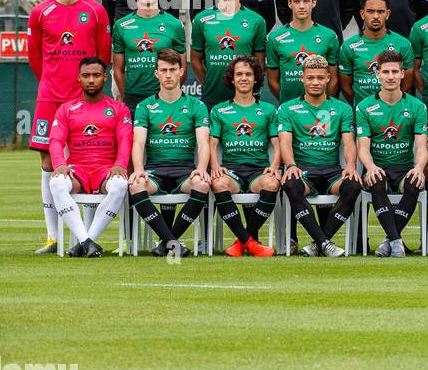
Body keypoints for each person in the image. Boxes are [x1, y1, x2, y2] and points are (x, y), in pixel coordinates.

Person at [27, 0, 112, 254]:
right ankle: (53, 237)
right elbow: (35, 57)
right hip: (49, 99)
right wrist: (52, 82)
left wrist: (85, 88)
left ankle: (83, 236)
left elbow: (103, 56)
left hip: (84, 100)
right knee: (49, 165)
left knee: (87, 161)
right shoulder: (40, 12)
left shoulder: (95, 11)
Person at [128, 50, 211, 257]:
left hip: (184, 170)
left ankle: (166, 242)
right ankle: (173, 243)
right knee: (136, 185)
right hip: (155, 170)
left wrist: (201, 168)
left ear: (181, 71)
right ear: (156, 73)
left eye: (173, 70)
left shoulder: (196, 105)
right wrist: (138, 169)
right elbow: (138, 142)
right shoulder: (145, 106)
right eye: (163, 70)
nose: (168, 75)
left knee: (202, 183)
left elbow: (203, 143)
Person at [275, 55, 361, 257]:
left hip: (332, 171)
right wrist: (291, 165)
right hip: (304, 170)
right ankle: (325, 243)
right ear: (302, 78)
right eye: (310, 77)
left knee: (353, 185)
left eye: (320, 78)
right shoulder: (287, 108)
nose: (315, 82)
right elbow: (284, 141)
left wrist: (350, 165)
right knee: (291, 184)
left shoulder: (342, 108)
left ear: (328, 78)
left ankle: (318, 243)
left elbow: (349, 141)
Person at [47, 57, 132, 257]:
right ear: (79, 78)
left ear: (105, 77)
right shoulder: (66, 109)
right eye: (86, 76)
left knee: (120, 185)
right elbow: (55, 141)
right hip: (77, 169)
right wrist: (59, 164)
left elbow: (126, 139)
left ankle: (85, 242)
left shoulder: (119, 108)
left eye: (96, 75)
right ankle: (88, 242)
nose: (91, 80)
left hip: (106, 169)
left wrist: (120, 164)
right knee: (57, 183)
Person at [356, 50, 428, 257]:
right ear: (377, 73)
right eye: (385, 72)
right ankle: (396, 241)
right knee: (376, 180)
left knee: (415, 180)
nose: (390, 76)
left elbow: (422, 147)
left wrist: (418, 168)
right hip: (379, 168)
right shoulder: (364, 107)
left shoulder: (417, 106)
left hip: (404, 169)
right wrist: (370, 167)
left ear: (403, 74)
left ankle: (389, 240)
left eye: (395, 72)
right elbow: (363, 148)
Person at [207, 56, 280, 257]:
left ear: (256, 78)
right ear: (232, 78)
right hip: (232, 170)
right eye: (239, 74)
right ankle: (252, 243)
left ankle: (241, 243)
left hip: (259, 169)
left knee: (272, 184)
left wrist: (275, 166)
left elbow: (277, 142)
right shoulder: (219, 110)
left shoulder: (268, 109)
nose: (244, 78)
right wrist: (215, 166)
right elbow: (212, 143)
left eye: (248, 74)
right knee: (218, 184)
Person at [189, 0, 267, 109]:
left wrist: (250, 85)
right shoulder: (201, 19)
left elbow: (260, 62)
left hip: (246, 99)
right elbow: (195, 59)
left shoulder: (256, 20)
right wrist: (208, 83)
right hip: (212, 98)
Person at [112, 0, 185, 113]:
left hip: (165, 98)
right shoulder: (121, 26)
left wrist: (168, 93)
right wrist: (126, 94)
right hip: (133, 99)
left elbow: (182, 68)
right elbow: (118, 70)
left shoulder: (175, 24)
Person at [266, 0, 340, 103]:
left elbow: (333, 80)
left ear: (314, 3)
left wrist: (323, 103)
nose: (301, 6)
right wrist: (288, 105)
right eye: (296, 1)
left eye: (306, 1)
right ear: (290, 4)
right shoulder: (275, 38)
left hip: (320, 108)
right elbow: (272, 81)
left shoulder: (329, 36)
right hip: (289, 112)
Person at [339, 0, 412, 105]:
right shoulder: (349, 46)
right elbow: (345, 87)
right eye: (370, 11)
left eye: (380, 11)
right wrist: (362, 108)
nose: (376, 16)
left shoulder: (403, 44)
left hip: (395, 111)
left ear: (387, 14)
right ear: (362, 14)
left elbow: (407, 84)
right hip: (362, 114)